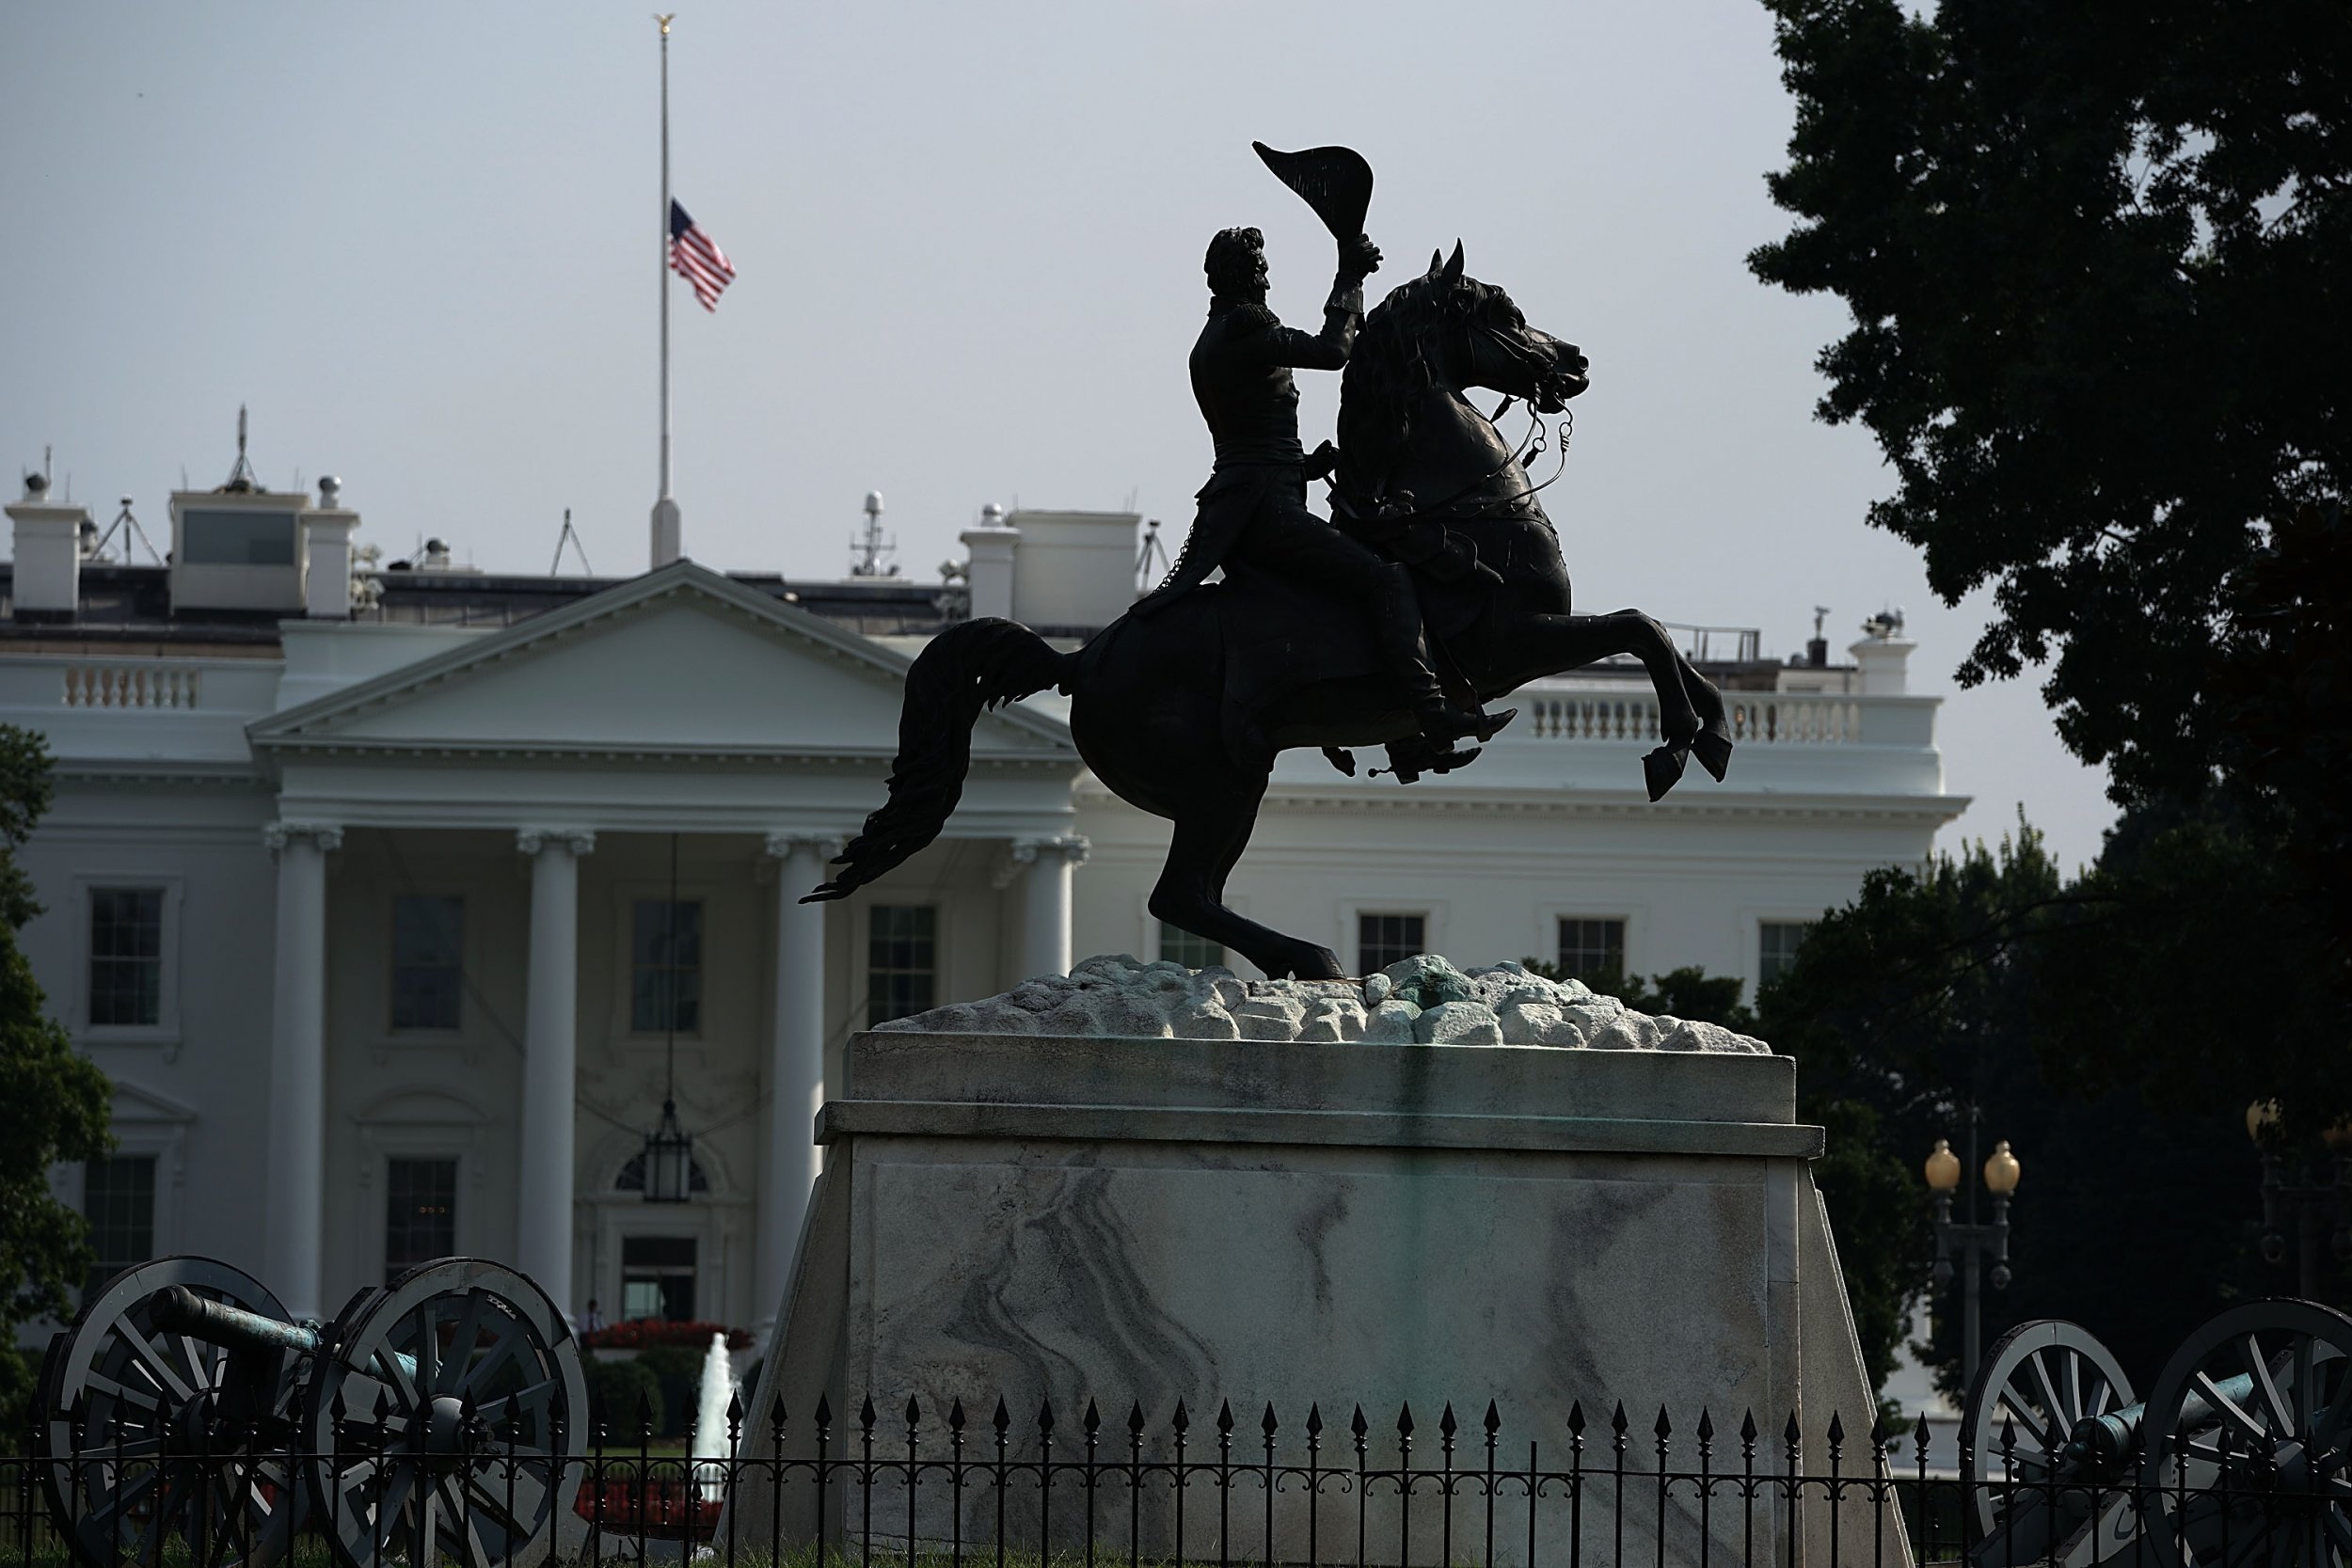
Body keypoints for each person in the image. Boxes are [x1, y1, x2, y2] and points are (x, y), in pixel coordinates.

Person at [1139, 224, 1505, 745]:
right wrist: (1349, 275)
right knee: (1387, 578)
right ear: (1241, 276)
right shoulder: (1243, 329)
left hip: (1253, 497)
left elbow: (1251, 441)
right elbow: (1334, 351)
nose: (1267, 279)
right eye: (1260, 269)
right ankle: (1430, 715)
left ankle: (1392, 727)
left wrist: (1307, 466)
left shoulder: (1214, 336)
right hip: (1265, 511)